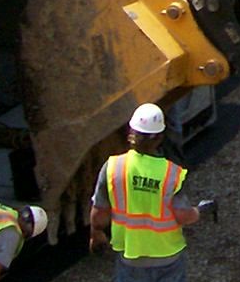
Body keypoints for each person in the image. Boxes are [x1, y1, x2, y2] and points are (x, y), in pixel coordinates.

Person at [89, 102, 211, 282]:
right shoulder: (171, 173)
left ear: (131, 133)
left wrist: (96, 233)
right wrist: (201, 211)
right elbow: (184, 216)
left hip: (131, 260)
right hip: (167, 259)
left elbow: (99, 214)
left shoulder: (113, 168)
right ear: (159, 138)